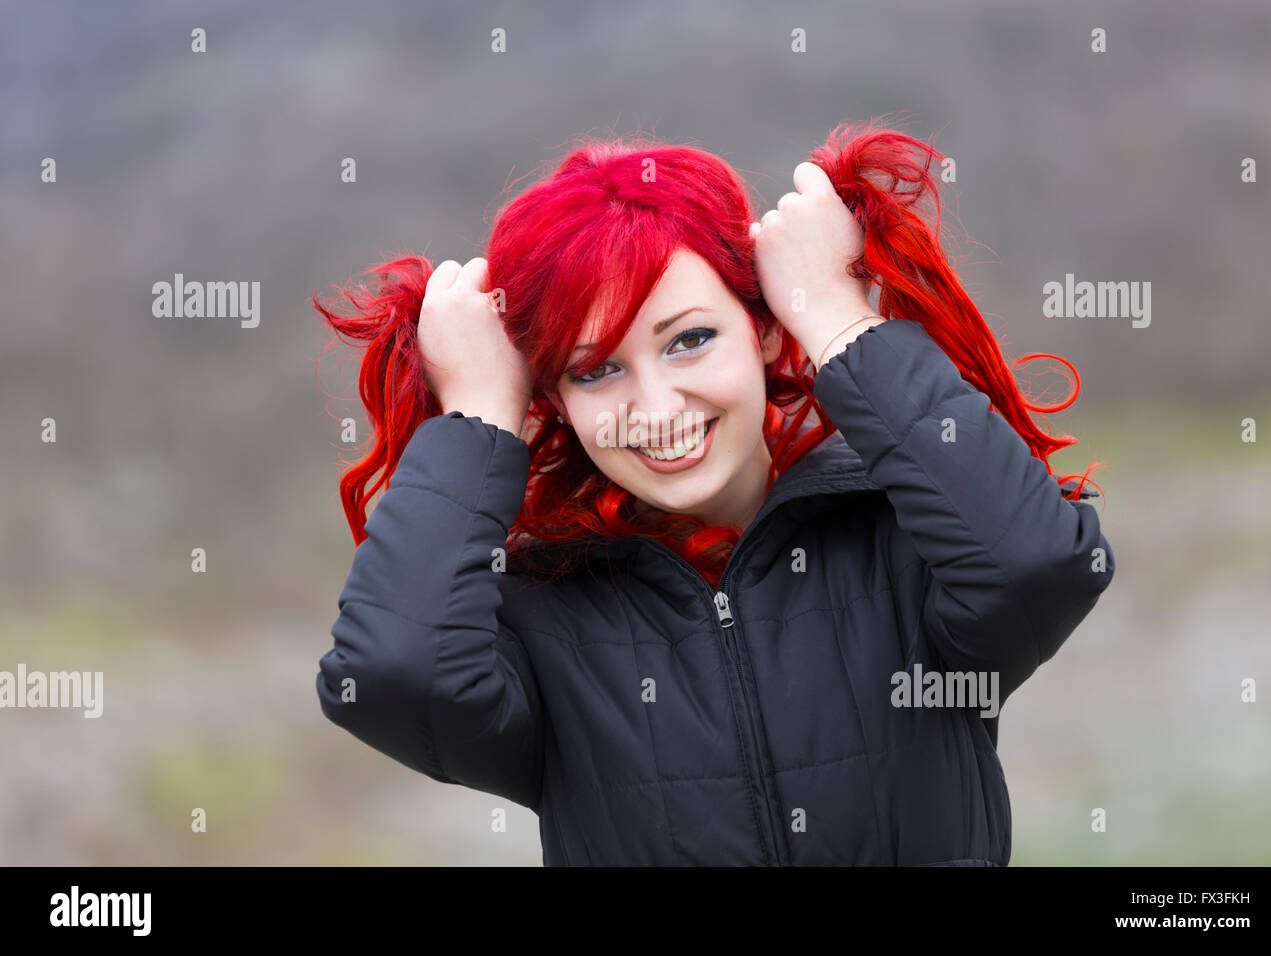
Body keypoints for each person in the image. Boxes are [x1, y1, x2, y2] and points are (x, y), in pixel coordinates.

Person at [312, 120, 1115, 865]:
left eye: (689, 339)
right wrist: (477, 419)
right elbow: (388, 680)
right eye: (596, 370)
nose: (658, 409)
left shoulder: (905, 537)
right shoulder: (535, 616)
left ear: (766, 330)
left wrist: (838, 319)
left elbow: (1040, 565)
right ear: (550, 398)